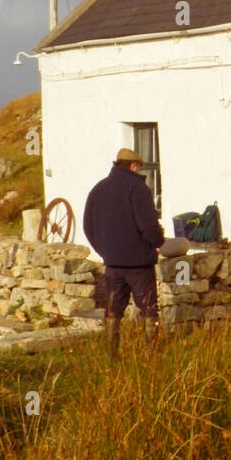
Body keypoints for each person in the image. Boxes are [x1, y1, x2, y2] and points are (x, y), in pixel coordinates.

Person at [82, 148, 165, 356]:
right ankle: (151, 356)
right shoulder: (138, 188)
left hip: (112, 264)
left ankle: (112, 357)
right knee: (148, 309)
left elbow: (88, 226)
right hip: (139, 264)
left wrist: (104, 251)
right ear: (133, 165)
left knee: (113, 310)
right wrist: (157, 242)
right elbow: (148, 225)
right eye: (139, 166)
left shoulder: (98, 189)